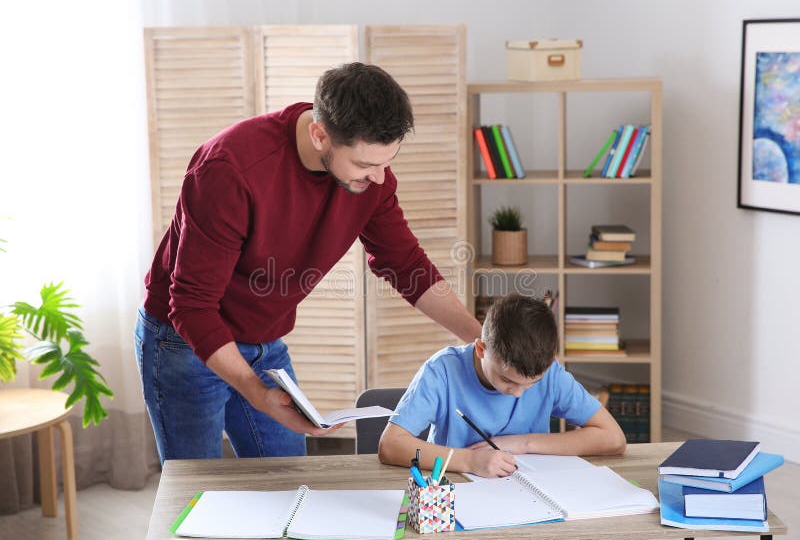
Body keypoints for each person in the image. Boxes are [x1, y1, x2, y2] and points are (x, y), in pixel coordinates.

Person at [135, 62, 482, 464]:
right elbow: (192, 306)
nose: (380, 178)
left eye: (388, 162)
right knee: (194, 493)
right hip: (182, 342)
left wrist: (482, 341)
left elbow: (406, 264)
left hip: (264, 343)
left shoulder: (372, 180)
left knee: (289, 480)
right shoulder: (230, 168)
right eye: (366, 165)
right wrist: (256, 393)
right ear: (320, 135)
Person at [378, 294, 626, 478]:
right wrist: (468, 461)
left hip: (530, 491)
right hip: (455, 491)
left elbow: (613, 439)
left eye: (532, 384)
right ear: (481, 349)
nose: (518, 393)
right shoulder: (441, 371)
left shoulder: (551, 374)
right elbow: (390, 445)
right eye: (507, 380)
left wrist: (523, 443)